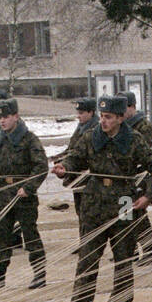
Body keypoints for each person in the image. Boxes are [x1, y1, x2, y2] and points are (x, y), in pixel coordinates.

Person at [53, 93, 152, 302]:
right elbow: (75, 159)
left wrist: (148, 196)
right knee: (87, 260)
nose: (103, 121)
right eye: (101, 116)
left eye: (109, 117)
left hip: (124, 202)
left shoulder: (134, 140)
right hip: (93, 204)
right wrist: (64, 168)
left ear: (121, 118)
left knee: (123, 258)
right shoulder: (91, 137)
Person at [0, 99, 48, 292]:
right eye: (0, 117)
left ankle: (40, 274)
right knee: (2, 237)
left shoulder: (29, 139)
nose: (2, 121)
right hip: (2, 196)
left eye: (6, 117)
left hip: (23, 196)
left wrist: (28, 188)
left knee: (30, 235)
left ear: (16, 116)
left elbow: (41, 167)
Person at [123, 91, 152, 266]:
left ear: (132, 107)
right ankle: (129, 251)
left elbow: (146, 155)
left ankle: (148, 250)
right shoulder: (121, 127)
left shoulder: (144, 127)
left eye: (125, 108)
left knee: (138, 216)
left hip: (139, 178)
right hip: (124, 179)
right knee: (124, 215)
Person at [63, 97, 99, 228]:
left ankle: (88, 244)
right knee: (80, 212)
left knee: (89, 214)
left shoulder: (96, 130)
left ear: (91, 112)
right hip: (77, 178)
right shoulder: (81, 128)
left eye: (82, 113)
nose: (78, 116)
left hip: (89, 180)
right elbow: (72, 150)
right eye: (78, 113)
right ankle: (84, 244)